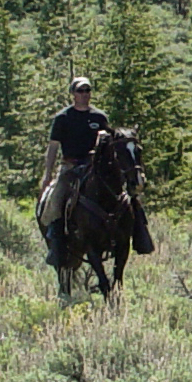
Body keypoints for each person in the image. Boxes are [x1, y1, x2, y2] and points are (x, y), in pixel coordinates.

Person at [38, 76, 154, 266]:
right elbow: (53, 147)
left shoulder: (100, 117)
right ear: (73, 94)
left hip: (95, 166)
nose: (84, 95)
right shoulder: (63, 118)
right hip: (71, 167)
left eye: (87, 91)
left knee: (128, 197)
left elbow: (110, 144)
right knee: (56, 201)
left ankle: (140, 235)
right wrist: (47, 174)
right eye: (80, 91)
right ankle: (56, 245)